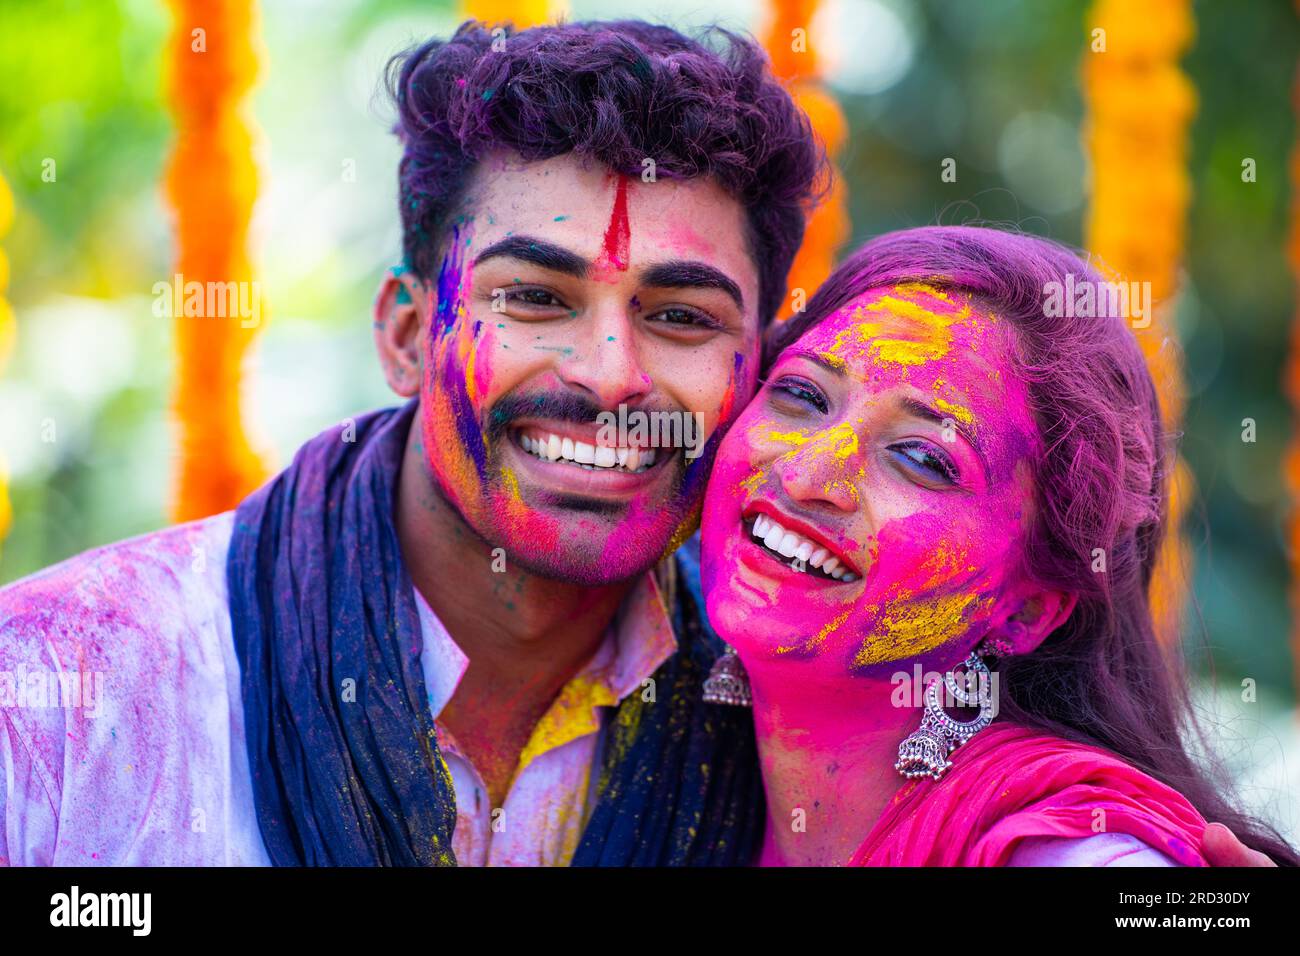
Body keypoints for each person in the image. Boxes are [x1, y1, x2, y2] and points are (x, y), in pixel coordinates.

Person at [0, 19, 822, 866]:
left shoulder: (813, 728)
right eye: (536, 298)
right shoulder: (53, 702)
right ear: (404, 333)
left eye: (682, 316)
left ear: (759, 367)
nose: (610, 378)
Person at [693, 224, 1300, 866]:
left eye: (923, 458)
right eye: (803, 394)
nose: (808, 474)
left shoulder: (1074, 851)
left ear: (1028, 610)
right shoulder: (672, 763)